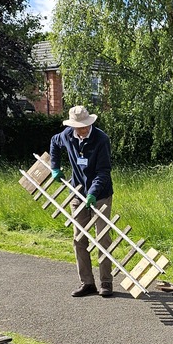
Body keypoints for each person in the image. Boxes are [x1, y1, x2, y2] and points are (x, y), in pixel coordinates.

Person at [49, 104, 114, 297]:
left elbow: (103, 172)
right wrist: (55, 167)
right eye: (78, 126)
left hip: (100, 195)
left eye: (85, 125)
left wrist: (93, 193)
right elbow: (54, 142)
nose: (82, 129)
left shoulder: (101, 139)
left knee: (102, 238)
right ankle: (87, 283)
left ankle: (106, 282)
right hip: (77, 193)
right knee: (79, 239)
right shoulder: (67, 135)